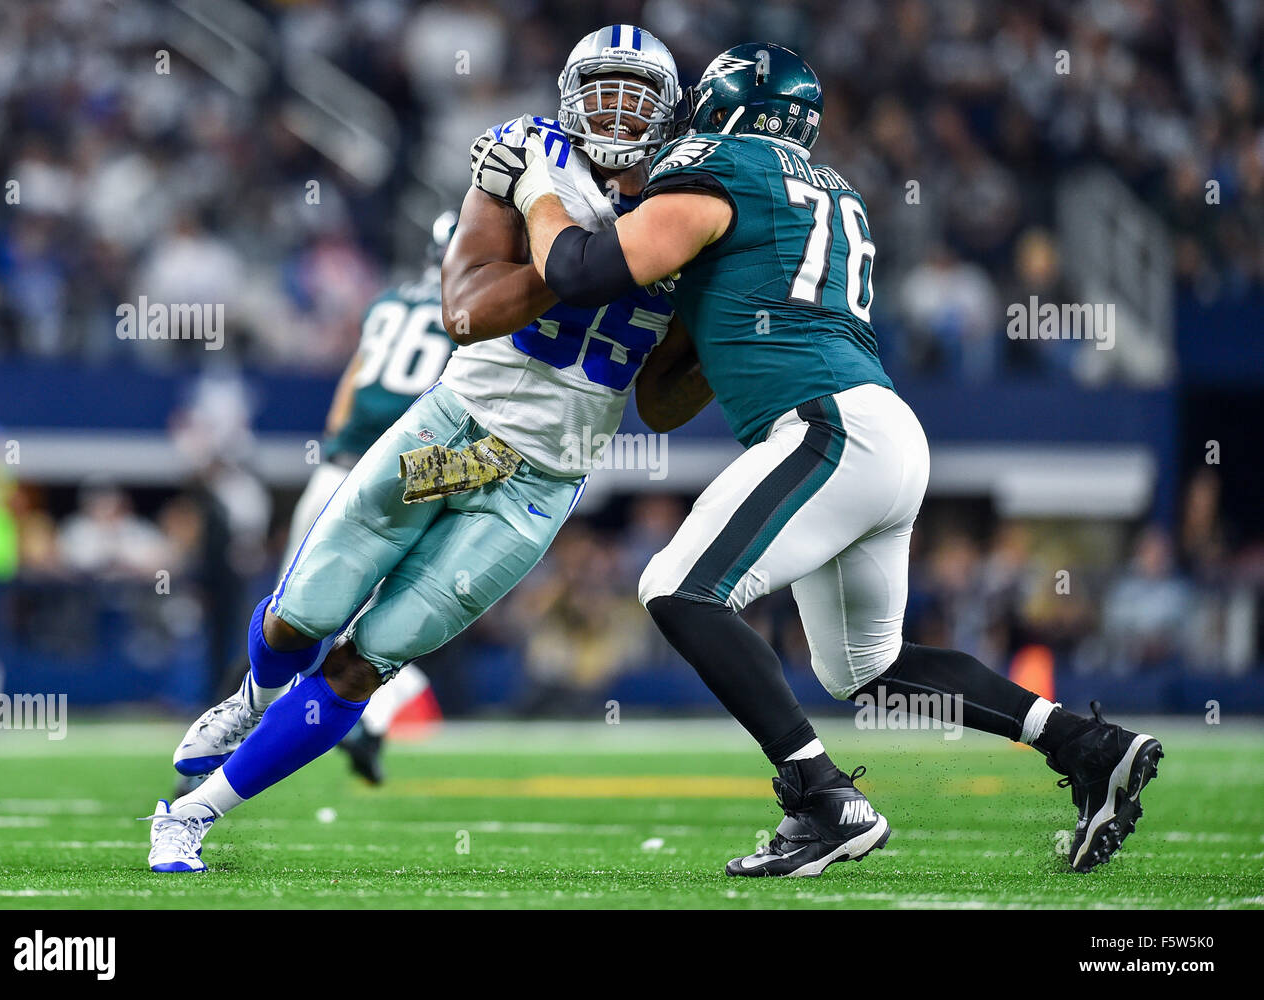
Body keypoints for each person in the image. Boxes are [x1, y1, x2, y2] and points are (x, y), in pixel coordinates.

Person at [471, 42, 1162, 877]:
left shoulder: (712, 164)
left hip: (825, 426)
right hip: (881, 431)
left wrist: (535, 187)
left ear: (713, 111)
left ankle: (822, 797)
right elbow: (667, 395)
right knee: (869, 668)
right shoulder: (830, 190)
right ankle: (1088, 746)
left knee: (678, 589)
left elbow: (578, 272)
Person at [145, 24, 708, 874]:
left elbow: (664, 402)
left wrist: (716, 330)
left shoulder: (690, 205)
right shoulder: (528, 159)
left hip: (541, 479)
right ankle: (253, 695)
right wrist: (583, 258)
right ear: (568, 93)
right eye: (602, 87)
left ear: (669, 111)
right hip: (458, 434)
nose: (617, 110)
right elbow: (466, 311)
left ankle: (189, 816)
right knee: (308, 610)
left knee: (370, 661)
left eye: (636, 93)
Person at [170, 214, 460, 789]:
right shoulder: (477, 313)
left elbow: (350, 388)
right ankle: (356, 729)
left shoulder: (388, 302)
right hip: (410, 471)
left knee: (287, 622)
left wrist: (335, 450)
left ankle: (230, 741)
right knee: (374, 630)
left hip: (341, 464)